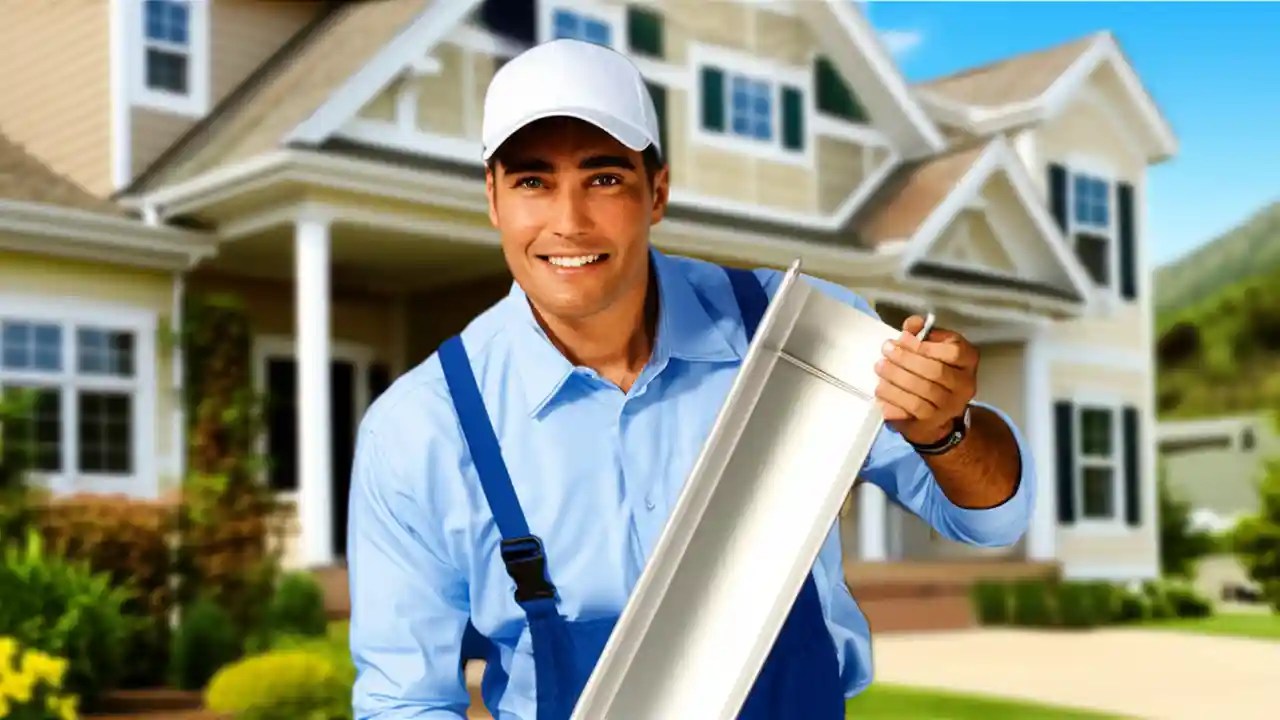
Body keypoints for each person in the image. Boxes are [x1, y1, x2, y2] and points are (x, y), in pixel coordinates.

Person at [348, 38, 1034, 720]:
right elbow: (403, 703)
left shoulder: (795, 336)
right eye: (533, 182)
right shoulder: (421, 430)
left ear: (658, 193)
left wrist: (945, 430)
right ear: (493, 198)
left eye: (605, 178)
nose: (569, 221)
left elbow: (991, 520)